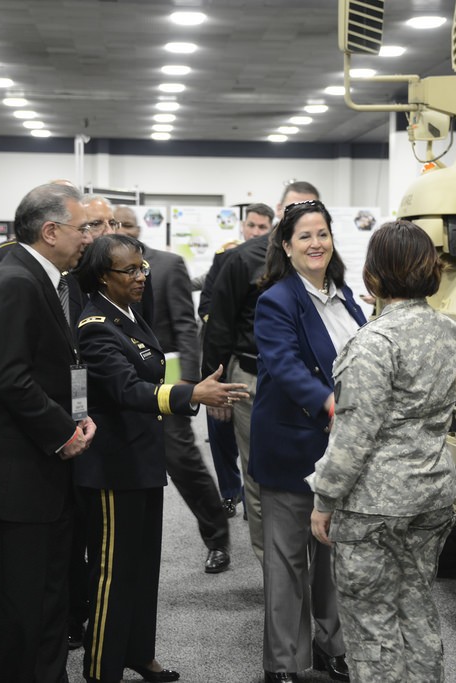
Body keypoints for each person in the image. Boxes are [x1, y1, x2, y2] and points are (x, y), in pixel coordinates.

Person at [73, 234, 248, 682]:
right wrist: (193, 393)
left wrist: (184, 389)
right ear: (102, 278)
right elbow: (125, 390)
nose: (140, 276)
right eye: (129, 271)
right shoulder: (95, 325)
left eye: (142, 267)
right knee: (113, 574)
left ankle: (137, 652)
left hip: (141, 459)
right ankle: (102, 669)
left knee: (142, 566)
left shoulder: (129, 312)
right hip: (113, 467)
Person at [310, 221, 456, 683]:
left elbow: (353, 436)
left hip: (373, 507)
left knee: (371, 623)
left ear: (374, 275)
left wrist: (324, 500)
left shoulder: (373, 345)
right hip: (433, 495)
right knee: (418, 607)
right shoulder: (450, 333)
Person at [0, 182, 97, 683]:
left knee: (43, 600)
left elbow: (51, 364)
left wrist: (76, 416)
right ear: (50, 230)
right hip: (14, 476)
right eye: (83, 229)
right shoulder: (17, 281)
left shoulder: (46, 279)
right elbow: (9, 376)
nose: (90, 239)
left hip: (34, 469)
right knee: (19, 607)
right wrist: (63, 432)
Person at [251, 199, 365, 683]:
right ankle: (285, 665)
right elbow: (286, 366)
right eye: (305, 236)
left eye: (323, 234)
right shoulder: (277, 300)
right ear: (286, 245)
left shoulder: (347, 296)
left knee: (333, 560)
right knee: (287, 562)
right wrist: (329, 403)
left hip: (342, 452)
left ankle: (330, 645)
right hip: (293, 447)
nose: (316, 243)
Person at [201, 181, 320, 563]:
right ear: (279, 212)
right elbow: (219, 325)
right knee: (259, 474)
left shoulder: (322, 263)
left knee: (312, 469)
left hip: (310, 382)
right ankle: (273, 565)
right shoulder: (243, 259)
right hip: (251, 379)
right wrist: (216, 386)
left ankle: (306, 558)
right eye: (294, 210)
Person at [137, 222, 232, 572]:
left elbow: (184, 324)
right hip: (116, 385)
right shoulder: (91, 270)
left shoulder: (166, 264)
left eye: (120, 223)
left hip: (168, 385)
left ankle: (216, 537)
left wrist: (190, 385)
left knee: (181, 460)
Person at [199, 203, 274, 518]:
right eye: (252, 226)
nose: (256, 232)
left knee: (255, 440)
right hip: (227, 358)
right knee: (219, 426)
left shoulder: (276, 260)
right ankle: (230, 492)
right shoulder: (228, 257)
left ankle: (251, 495)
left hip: (257, 362)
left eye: (262, 227)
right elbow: (209, 307)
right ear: (243, 226)